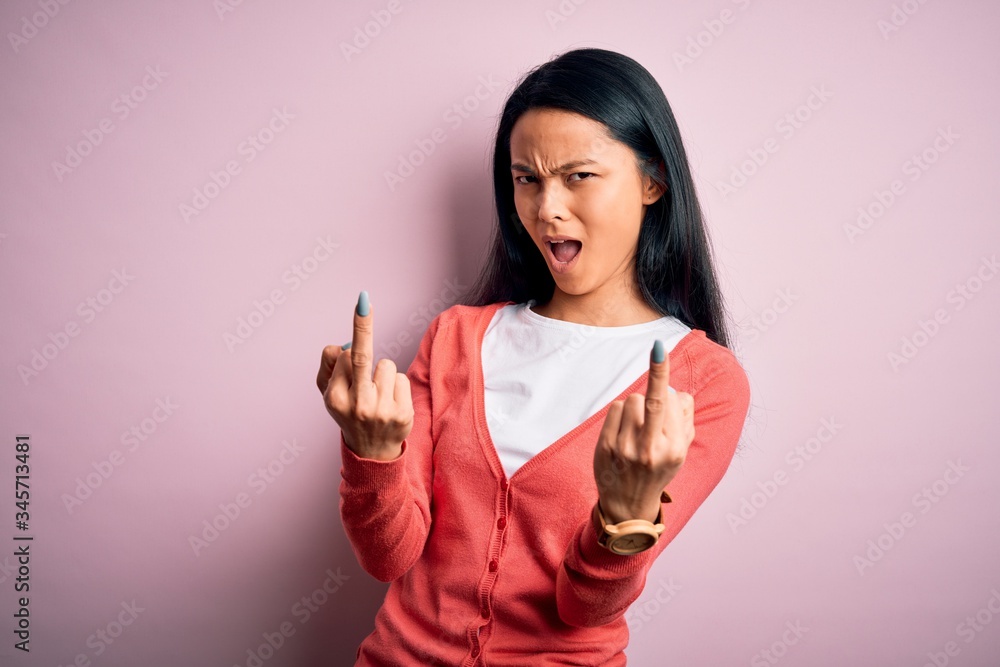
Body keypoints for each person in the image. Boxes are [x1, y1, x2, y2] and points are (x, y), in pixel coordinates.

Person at [316, 47, 751, 666]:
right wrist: (372, 452)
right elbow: (389, 557)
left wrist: (624, 519)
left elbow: (584, 608)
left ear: (653, 180)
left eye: (579, 175)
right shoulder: (454, 338)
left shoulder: (703, 383)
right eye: (527, 178)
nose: (546, 209)